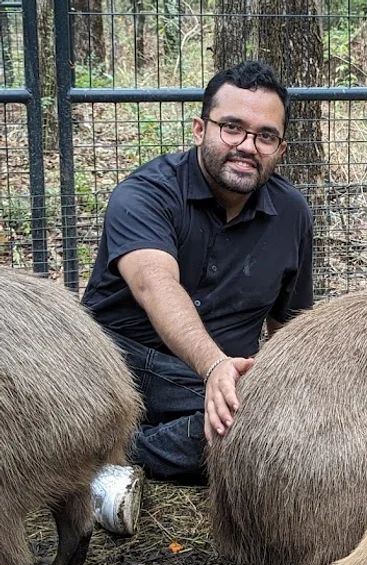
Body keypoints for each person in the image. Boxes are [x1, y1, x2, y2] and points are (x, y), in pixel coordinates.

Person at [80, 60, 314, 535]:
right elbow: (155, 284)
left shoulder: (292, 214)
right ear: (200, 128)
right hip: (119, 366)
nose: (247, 147)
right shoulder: (145, 193)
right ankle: (97, 449)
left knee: (276, 421)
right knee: (248, 426)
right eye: (232, 128)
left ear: (281, 149)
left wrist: (300, 389)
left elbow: (291, 322)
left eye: (265, 136)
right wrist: (214, 367)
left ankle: (113, 453)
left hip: (223, 377)